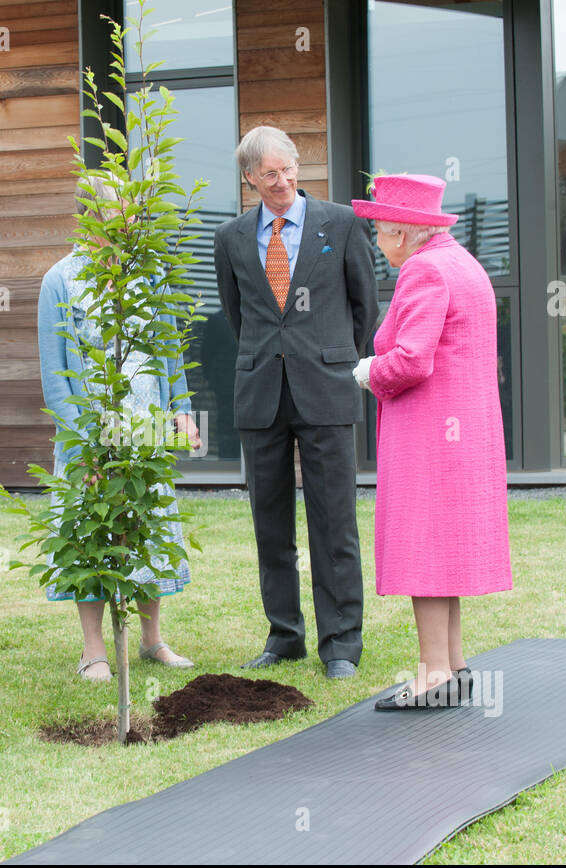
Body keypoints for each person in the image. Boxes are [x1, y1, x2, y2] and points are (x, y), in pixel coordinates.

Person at [213, 126, 377, 679]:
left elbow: (364, 308)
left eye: (288, 170)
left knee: (335, 522)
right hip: (260, 392)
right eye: (269, 175)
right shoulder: (231, 238)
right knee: (270, 523)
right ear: (249, 179)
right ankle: (284, 636)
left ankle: (340, 646)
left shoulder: (343, 224)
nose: (282, 182)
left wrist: (333, 360)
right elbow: (238, 317)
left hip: (326, 390)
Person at [351, 174, 511, 709]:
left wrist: (368, 371)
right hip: (465, 432)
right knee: (444, 548)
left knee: (423, 548)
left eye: (378, 229)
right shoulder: (462, 262)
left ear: (401, 232)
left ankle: (433, 674)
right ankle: (454, 665)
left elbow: (412, 359)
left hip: (429, 434)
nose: (376, 240)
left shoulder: (422, 269)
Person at [37, 176, 200, 681]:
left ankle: (151, 641)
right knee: (91, 532)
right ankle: (94, 650)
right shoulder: (60, 281)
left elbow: (169, 349)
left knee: (146, 527)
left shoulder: (147, 277)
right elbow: (55, 378)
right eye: (122, 213)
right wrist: (83, 445)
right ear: (94, 219)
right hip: (91, 434)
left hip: (146, 429)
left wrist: (182, 408)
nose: (133, 221)